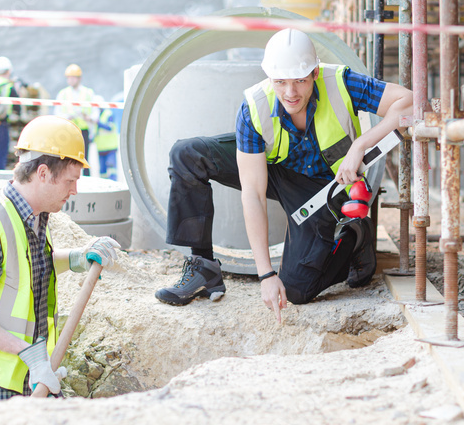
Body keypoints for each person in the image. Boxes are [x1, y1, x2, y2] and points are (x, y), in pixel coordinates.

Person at [155, 29, 412, 321]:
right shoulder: (254, 108)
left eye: (300, 81)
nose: (290, 93)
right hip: (274, 172)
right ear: (270, 77)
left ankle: (355, 237)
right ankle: (203, 268)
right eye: (281, 82)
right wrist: (266, 274)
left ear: (314, 73)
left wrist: (360, 145)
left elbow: (412, 103)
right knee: (188, 154)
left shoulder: (341, 83)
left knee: (297, 291)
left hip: (326, 188)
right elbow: (253, 194)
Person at [0, 115, 120, 400]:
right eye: (70, 181)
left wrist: (77, 258)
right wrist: (32, 356)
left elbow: (25, 271)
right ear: (43, 173)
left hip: (26, 376)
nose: (75, 191)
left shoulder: (32, 218)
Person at [54, 63, 103, 175]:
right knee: (67, 158)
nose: (70, 80)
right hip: (68, 131)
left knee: (84, 159)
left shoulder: (88, 93)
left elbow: (95, 113)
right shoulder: (63, 94)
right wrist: (68, 117)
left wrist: (88, 117)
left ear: (79, 78)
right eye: (68, 78)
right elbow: (57, 113)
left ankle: (86, 180)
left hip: (83, 130)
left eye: (73, 77)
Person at [94, 102, 120, 181]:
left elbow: (110, 127)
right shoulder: (96, 116)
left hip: (110, 147)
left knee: (112, 168)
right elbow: (96, 132)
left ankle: (114, 184)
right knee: (102, 172)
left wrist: (98, 123)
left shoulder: (108, 114)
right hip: (101, 148)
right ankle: (104, 187)